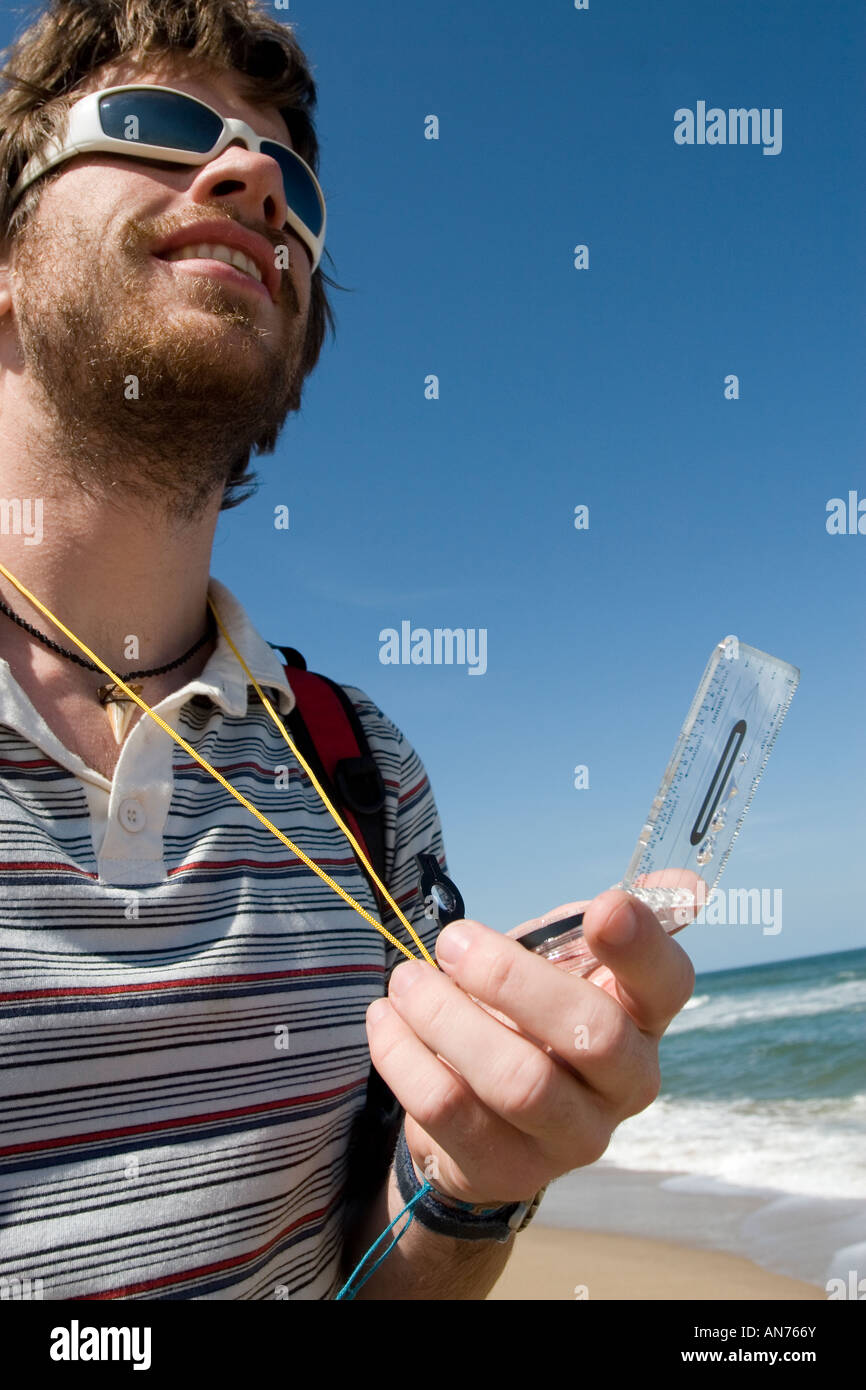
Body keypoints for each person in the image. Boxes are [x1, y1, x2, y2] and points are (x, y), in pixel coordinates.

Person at [0, 0, 694, 1301]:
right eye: (155, 125)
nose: (255, 176)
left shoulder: (364, 768)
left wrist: (467, 1182)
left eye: (294, 183)